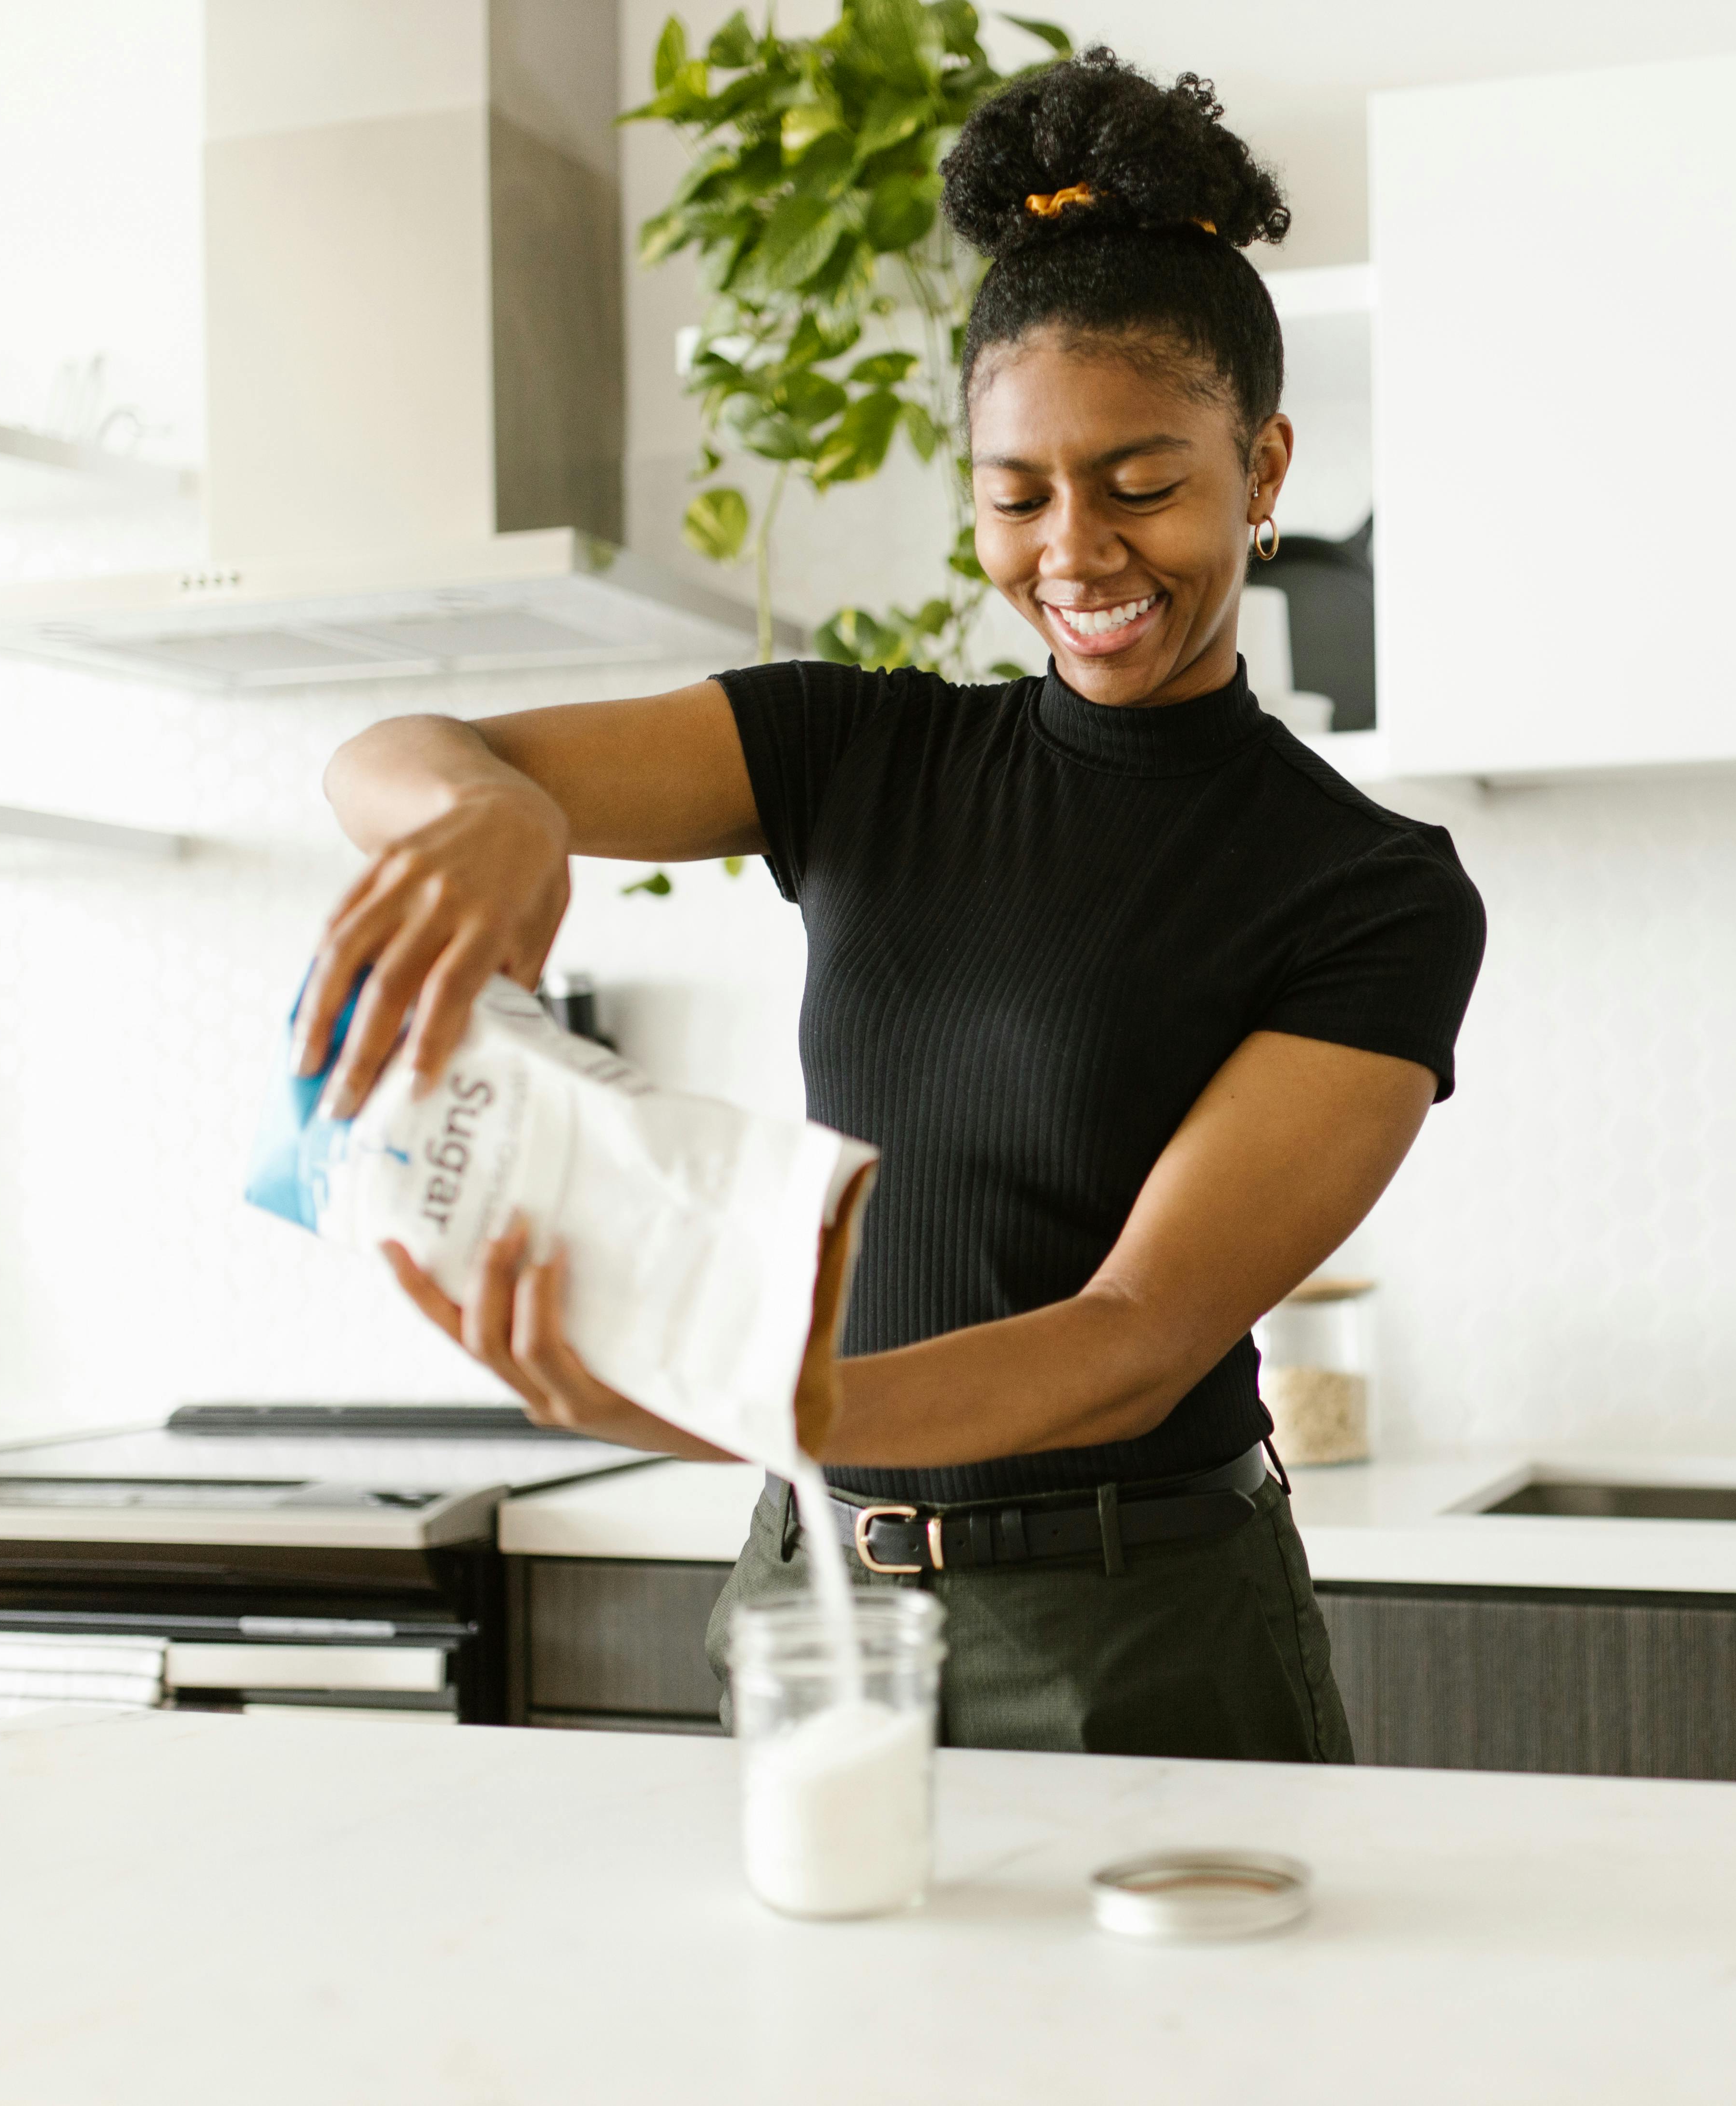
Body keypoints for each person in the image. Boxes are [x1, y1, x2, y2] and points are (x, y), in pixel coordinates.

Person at [295, 50, 1483, 1763]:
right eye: (1015, 495)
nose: (1072, 549)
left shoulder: (1366, 891)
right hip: (813, 1610)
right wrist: (486, 813)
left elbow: (1129, 1341)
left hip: (1132, 1630)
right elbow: (394, 754)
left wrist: (734, 1400)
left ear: (1263, 464)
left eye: (1140, 481)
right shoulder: (857, 752)